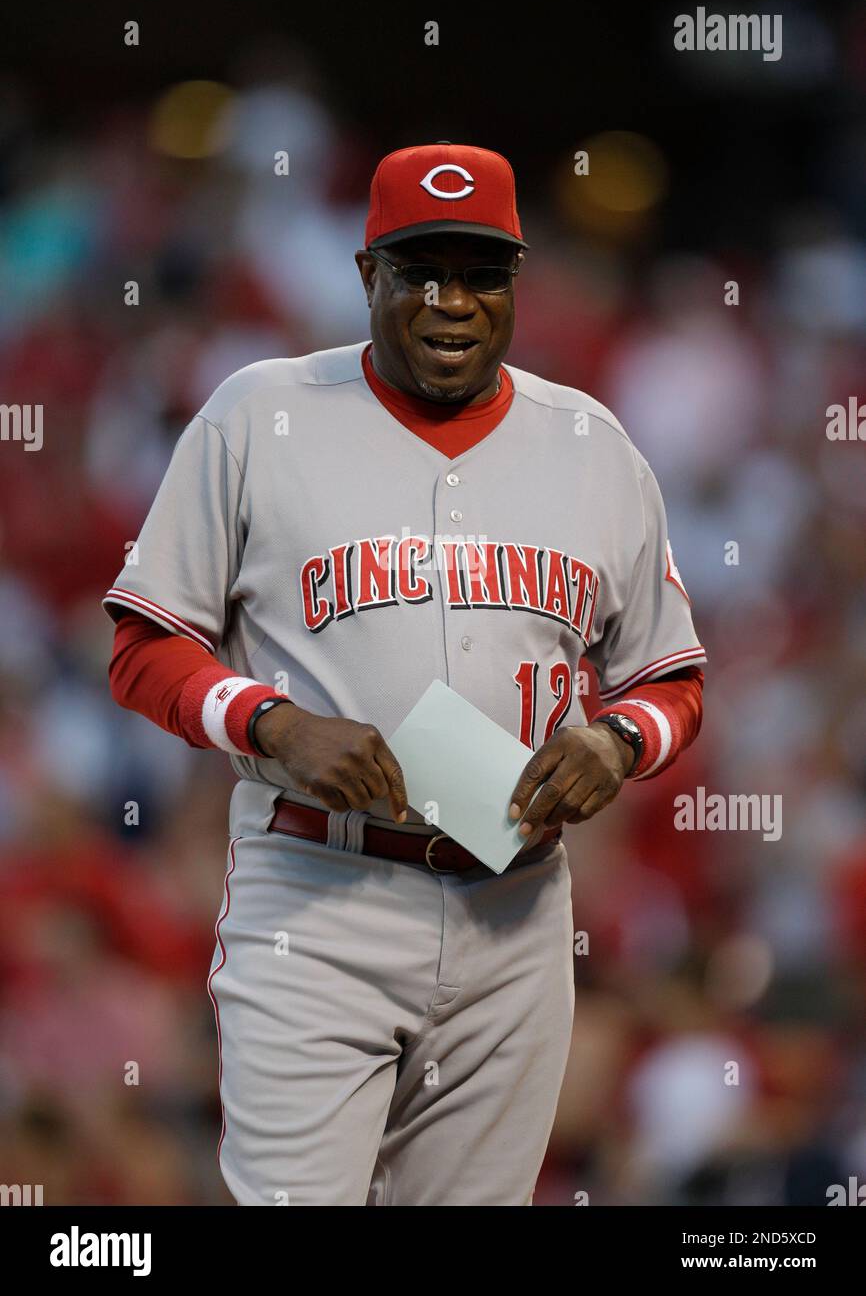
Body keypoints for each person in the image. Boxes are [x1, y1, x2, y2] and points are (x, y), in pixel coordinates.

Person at [103, 141, 706, 1206]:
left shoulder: (593, 444)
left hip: (515, 907)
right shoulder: (257, 413)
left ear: (514, 283)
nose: (451, 303)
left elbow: (671, 680)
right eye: (419, 270)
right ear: (364, 274)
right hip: (316, 894)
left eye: (479, 274)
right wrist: (271, 724)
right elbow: (144, 646)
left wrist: (614, 741)